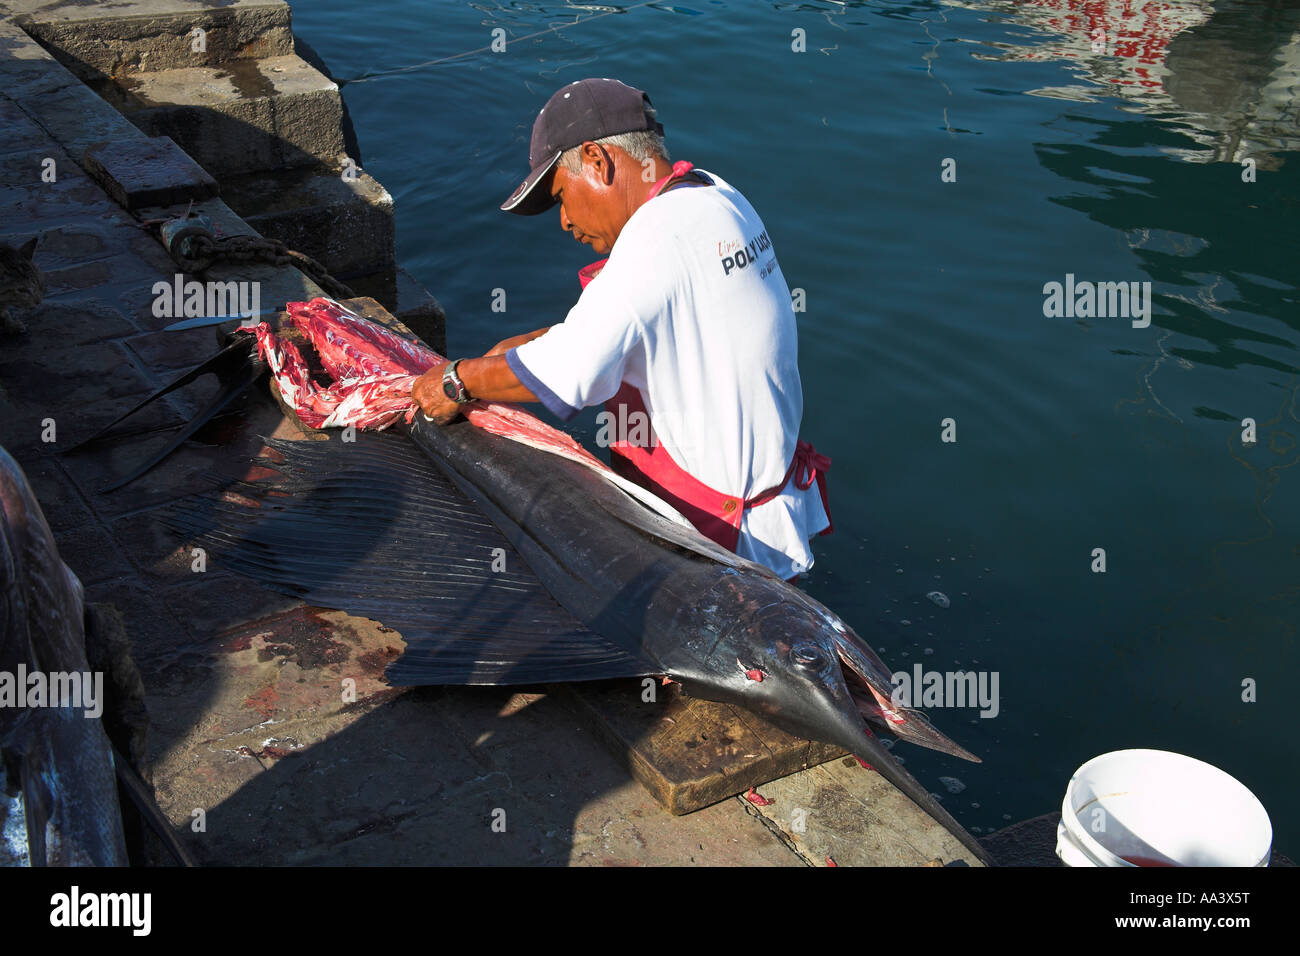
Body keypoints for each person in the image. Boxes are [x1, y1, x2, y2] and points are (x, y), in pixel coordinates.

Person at [412, 77, 831, 580]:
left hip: (722, 548)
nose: (565, 221)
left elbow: (573, 373)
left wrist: (458, 380)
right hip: (773, 519)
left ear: (597, 160)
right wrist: (521, 351)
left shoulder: (657, 238)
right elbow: (652, 323)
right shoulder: (715, 196)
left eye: (561, 196)